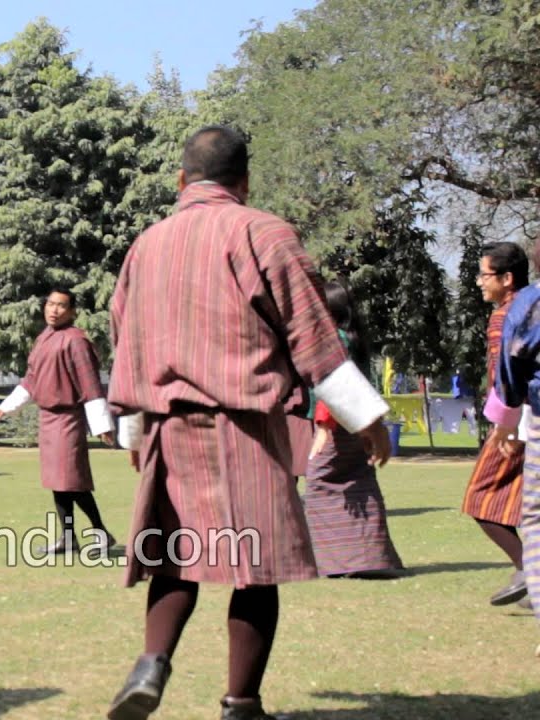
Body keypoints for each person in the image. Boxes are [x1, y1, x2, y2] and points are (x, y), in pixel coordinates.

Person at [104, 126, 391, 720]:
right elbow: (312, 333)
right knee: (254, 570)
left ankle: (153, 661)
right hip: (246, 426)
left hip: (168, 426)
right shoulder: (263, 232)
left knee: (174, 556)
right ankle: (241, 704)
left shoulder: (146, 245)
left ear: (181, 181)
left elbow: (123, 340)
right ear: (245, 182)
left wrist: (131, 429)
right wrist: (366, 416)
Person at [0, 288, 116, 556]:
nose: (53, 310)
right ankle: (68, 538)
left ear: (72, 312)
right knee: (57, 482)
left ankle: (101, 532)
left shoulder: (76, 341)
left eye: (61, 306)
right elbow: (31, 379)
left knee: (72, 481)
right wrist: (6, 407)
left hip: (67, 419)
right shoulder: (44, 338)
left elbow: (90, 384)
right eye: (50, 304)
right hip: (48, 419)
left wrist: (103, 425)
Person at [302, 281, 404, 579]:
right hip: (357, 424)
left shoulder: (333, 340)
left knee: (319, 484)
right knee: (360, 482)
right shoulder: (354, 338)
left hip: (336, 423)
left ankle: (339, 562)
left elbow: (332, 383)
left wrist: (323, 427)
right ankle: (373, 557)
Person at [461, 241, 529, 607]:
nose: (478, 282)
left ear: (506, 278)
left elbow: (505, 376)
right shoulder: (529, 308)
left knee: (480, 498)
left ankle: (528, 570)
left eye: (484, 275)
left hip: (514, 422)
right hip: (524, 417)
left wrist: (506, 425)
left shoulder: (506, 316)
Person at [489, 257, 540, 655]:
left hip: (534, 419)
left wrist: (506, 422)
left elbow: (509, 369)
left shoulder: (526, 306)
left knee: (534, 515)